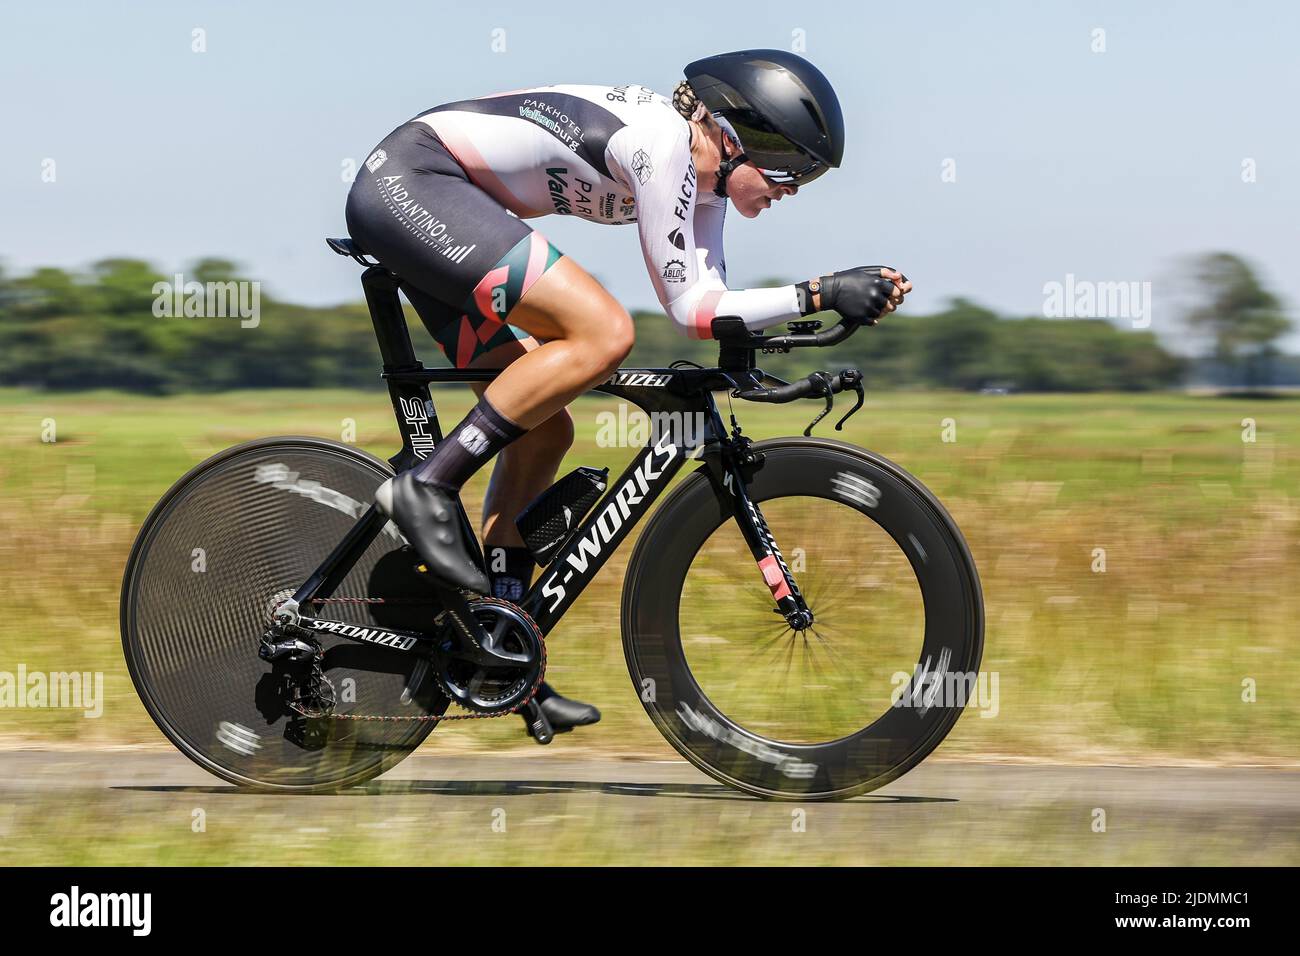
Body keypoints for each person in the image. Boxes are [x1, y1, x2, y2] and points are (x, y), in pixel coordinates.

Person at [345, 49, 911, 737]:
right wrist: (821, 290)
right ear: (736, 137)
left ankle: (501, 655)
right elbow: (686, 310)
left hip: (440, 206)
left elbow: (711, 305)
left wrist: (818, 316)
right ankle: (427, 486)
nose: (795, 189)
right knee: (603, 331)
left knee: (545, 429)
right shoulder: (662, 145)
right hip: (416, 182)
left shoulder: (702, 186)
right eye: (793, 169)